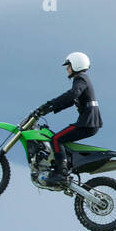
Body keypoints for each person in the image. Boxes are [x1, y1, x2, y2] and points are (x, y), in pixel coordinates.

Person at [35, 51, 101, 186]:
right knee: (58, 139)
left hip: (87, 122)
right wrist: (50, 108)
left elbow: (72, 94)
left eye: (69, 65)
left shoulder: (80, 79)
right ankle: (61, 166)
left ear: (76, 65)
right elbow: (70, 101)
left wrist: (50, 104)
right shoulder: (83, 79)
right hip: (89, 122)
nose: (67, 69)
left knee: (56, 139)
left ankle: (62, 173)